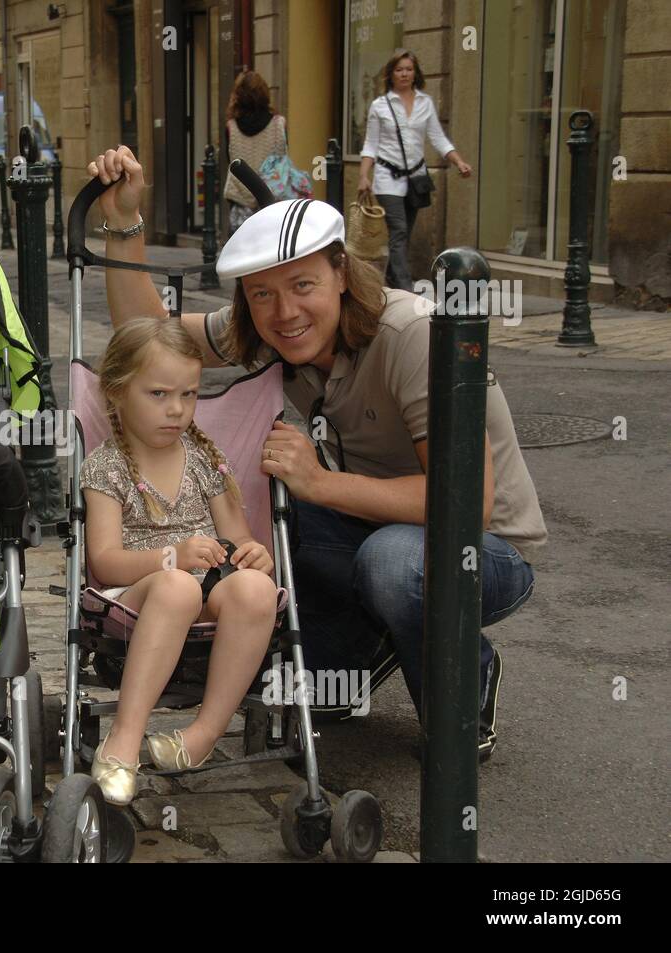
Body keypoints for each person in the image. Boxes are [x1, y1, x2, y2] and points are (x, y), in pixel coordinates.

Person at [87, 146, 545, 761]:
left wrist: (318, 483)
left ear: (342, 273)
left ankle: (463, 682)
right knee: (271, 519)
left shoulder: (414, 335)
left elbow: (471, 502)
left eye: (303, 285)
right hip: (370, 525)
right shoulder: (274, 328)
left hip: (479, 547)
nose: (285, 312)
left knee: (386, 561)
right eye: (262, 295)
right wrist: (124, 220)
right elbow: (145, 338)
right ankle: (350, 653)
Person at [81, 318, 278, 806]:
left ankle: (204, 734)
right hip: (138, 594)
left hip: (209, 589)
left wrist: (255, 554)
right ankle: (124, 739)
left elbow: (236, 540)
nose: (176, 409)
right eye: (159, 394)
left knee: (254, 589)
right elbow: (105, 562)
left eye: (188, 395)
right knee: (177, 586)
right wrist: (172, 556)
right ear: (116, 393)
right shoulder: (106, 467)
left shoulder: (206, 461)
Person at [358, 50, 473, 291]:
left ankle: (390, 277)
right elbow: (371, 144)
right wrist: (363, 176)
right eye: (399, 69)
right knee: (398, 229)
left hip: (416, 179)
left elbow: (438, 138)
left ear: (415, 73)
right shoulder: (380, 106)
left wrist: (458, 162)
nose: (404, 74)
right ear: (390, 74)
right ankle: (404, 286)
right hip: (387, 178)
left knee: (403, 235)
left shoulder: (425, 103)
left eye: (409, 69)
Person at [222, 70, 287, 234]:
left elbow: (231, 162)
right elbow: (283, 160)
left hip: (240, 202)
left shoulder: (231, 127)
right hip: (271, 201)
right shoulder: (279, 124)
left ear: (238, 97)